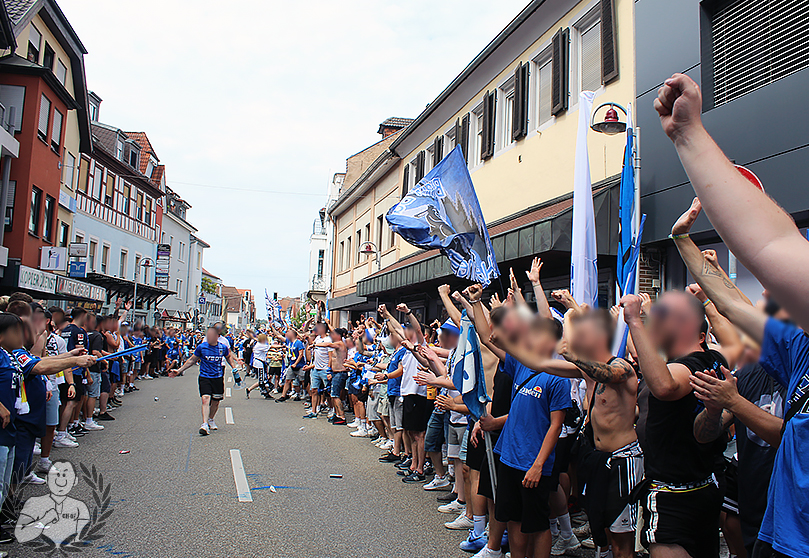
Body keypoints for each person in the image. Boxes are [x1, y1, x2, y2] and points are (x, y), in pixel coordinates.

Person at [669, 198, 805, 557]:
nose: (767, 293)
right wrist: (684, 241)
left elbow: (786, 434)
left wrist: (732, 401)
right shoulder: (798, 346)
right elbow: (732, 304)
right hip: (779, 528)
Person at [654, 72, 809, 332]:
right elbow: (734, 299)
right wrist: (686, 133)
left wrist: (687, 134)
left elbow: (770, 244)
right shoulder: (794, 344)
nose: (767, 290)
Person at [621, 291, 733, 558]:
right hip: (703, 487)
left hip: (672, 496)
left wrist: (635, 321)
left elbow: (664, 386)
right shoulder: (715, 360)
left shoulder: (692, 364)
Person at [171, 326, 240, 436]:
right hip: (205, 376)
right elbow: (191, 360)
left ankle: (211, 419)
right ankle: (204, 424)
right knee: (205, 398)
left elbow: (228, 357)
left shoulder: (222, 347)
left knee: (216, 401)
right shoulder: (202, 347)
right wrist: (179, 370)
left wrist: (234, 367)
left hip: (217, 377)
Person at [304, 322, 331, 420]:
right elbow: (306, 334)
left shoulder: (328, 339)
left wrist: (329, 370)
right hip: (315, 369)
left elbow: (331, 357)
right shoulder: (317, 339)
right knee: (314, 390)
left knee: (328, 392)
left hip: (324, 369)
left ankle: (332, 409)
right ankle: (314, 411)